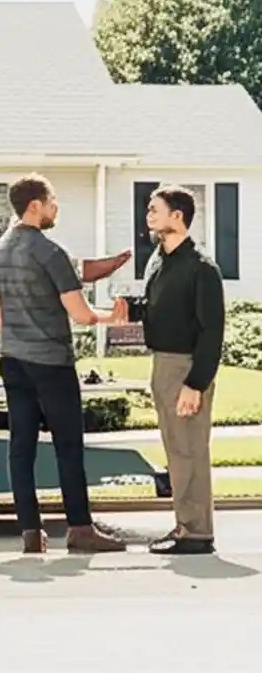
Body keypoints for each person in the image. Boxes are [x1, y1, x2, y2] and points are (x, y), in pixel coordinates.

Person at [0, 173, 132, 554]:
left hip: (12, 360)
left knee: (21, 448)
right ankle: (80, 528)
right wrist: (112, 318)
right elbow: (80, 313)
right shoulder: (48, 252)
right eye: (52, 202)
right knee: (68, 446)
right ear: (35, 205)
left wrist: (113, 263)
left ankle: (31, 533)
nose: (56, 208)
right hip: (51, 362)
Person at [138, 185, 225, 555]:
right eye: (148, 209)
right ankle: (184, 526)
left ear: (178, 216)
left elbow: (212, 330)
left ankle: (196, 534)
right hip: (162, 364)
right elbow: (159, 308)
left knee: (189, 450)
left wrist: (196, 383)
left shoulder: (201, 267)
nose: (149, 214)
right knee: (176, 450)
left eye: (155, 209)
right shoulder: (160, 260)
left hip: (186, 368)